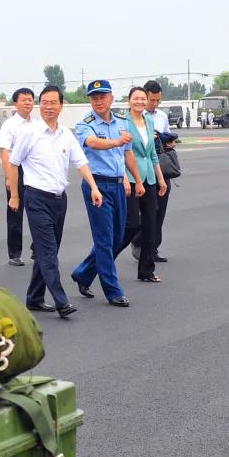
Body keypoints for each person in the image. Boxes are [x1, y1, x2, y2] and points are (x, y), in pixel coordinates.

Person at [7, 86, 102, 318]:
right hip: (36, 198)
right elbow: (13, 163)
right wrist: (15, 196)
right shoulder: (29, 133)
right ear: (40, 105)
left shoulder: (66, 134)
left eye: (53, 103)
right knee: (48, 252)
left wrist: (94, 187)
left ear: (61, 106)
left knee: (47, 250)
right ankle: (61, 301)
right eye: (44, 102)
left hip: (59, 201)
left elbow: (81, 162)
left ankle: (34, 298)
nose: (48, 107)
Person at [69, 80, 143, 307]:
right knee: (103, 239)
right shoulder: (85, 124)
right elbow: (92, 143)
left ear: (111, 98)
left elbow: (127, 153)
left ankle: (83, 273)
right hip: (97, 186)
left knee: (117, 237)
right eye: (94, 98)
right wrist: (116, 141)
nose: (99, 101)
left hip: (118, 185)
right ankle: (113, 290)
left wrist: (137, 180)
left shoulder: (122, 121)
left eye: (102, 97)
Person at [116, 87, 168, 282]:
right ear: (129, 101)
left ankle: (146, 270)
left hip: (149, 179)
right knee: (131, 225)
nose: (139, 102)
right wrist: (124, 177)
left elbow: (152, 153)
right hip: (130, 178)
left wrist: (161, 179)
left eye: (143, 99)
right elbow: (119, 153)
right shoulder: (122, 122)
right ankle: (102, 260)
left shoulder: (149, 121)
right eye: (135, 98)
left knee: (150, 224)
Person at [131, 80, 171, 262]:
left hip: (159, 168)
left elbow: (166, 138)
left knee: (158, 212)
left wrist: (168, 141)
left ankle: (152, 248)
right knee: (140, 215)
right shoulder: (132, 118)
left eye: (158, 100)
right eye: (152, 100)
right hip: (139, 173)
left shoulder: (161, 116)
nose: (154, 104)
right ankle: (138, 242)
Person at [0, 88, 36, 266]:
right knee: (15, 212)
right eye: (23, 100)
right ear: (15, 103)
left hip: (34, 170)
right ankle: (14, 253)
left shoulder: (37, 124)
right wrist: (9, 177)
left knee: (37, 210)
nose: (28, 102)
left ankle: (38, 249)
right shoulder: (10, 125)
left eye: (30, 99)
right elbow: (5, 152)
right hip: (16, 170)